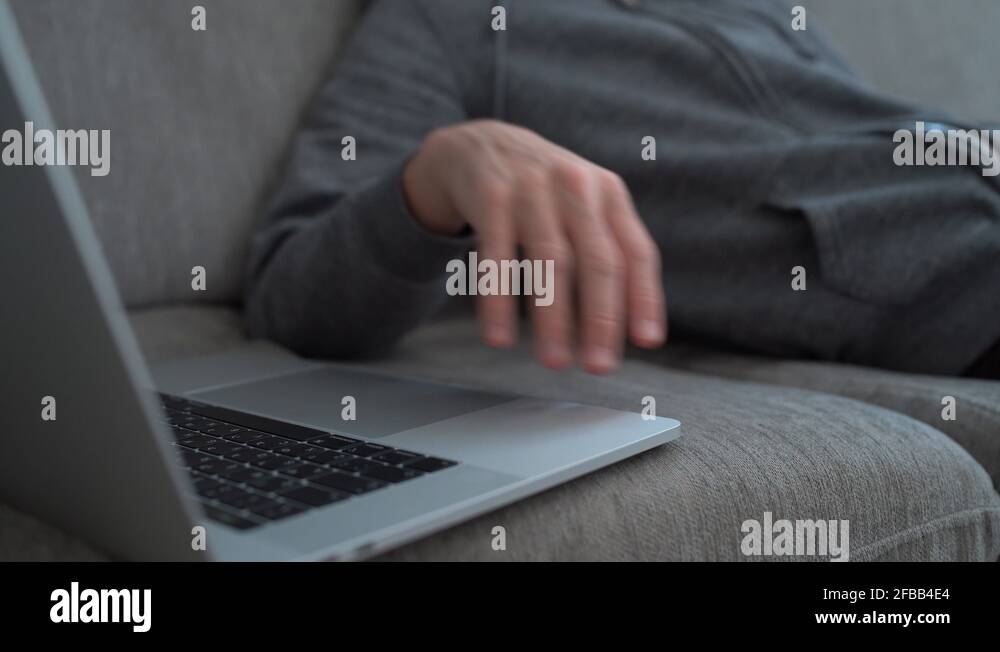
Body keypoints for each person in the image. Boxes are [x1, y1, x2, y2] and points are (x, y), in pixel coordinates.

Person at [245, 0, 1000, 378]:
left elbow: (858, 134)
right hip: (948, 265)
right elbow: (292, 293)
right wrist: (438, 173)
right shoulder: (444, 20)